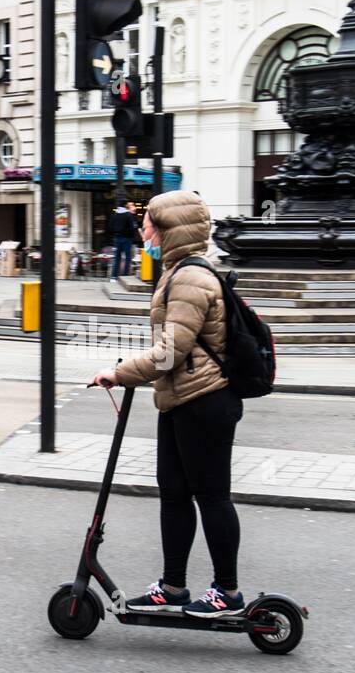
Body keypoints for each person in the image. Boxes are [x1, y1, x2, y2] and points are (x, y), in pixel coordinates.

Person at [90, 190, 245, 619]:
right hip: (179, 400)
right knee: (174, 494)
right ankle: (173, 585)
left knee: (212, 496)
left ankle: (227, 593)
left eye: (150, 223)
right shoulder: (177, 273)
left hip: (205, 402)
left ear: (169, 229)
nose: (143, 229)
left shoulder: (191, 278)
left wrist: (120, 372)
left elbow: (171, 351)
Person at [109, 202, 138, 279]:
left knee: (117, 258)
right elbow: (132, 228)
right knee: (128, 257)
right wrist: (133, 237)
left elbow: (110, 226)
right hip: (127, 239)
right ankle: (125, 276)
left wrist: (115, 234)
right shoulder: (128, 215)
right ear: (126, 206)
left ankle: (113, 276)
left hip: (117, 238)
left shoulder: (114, 215)